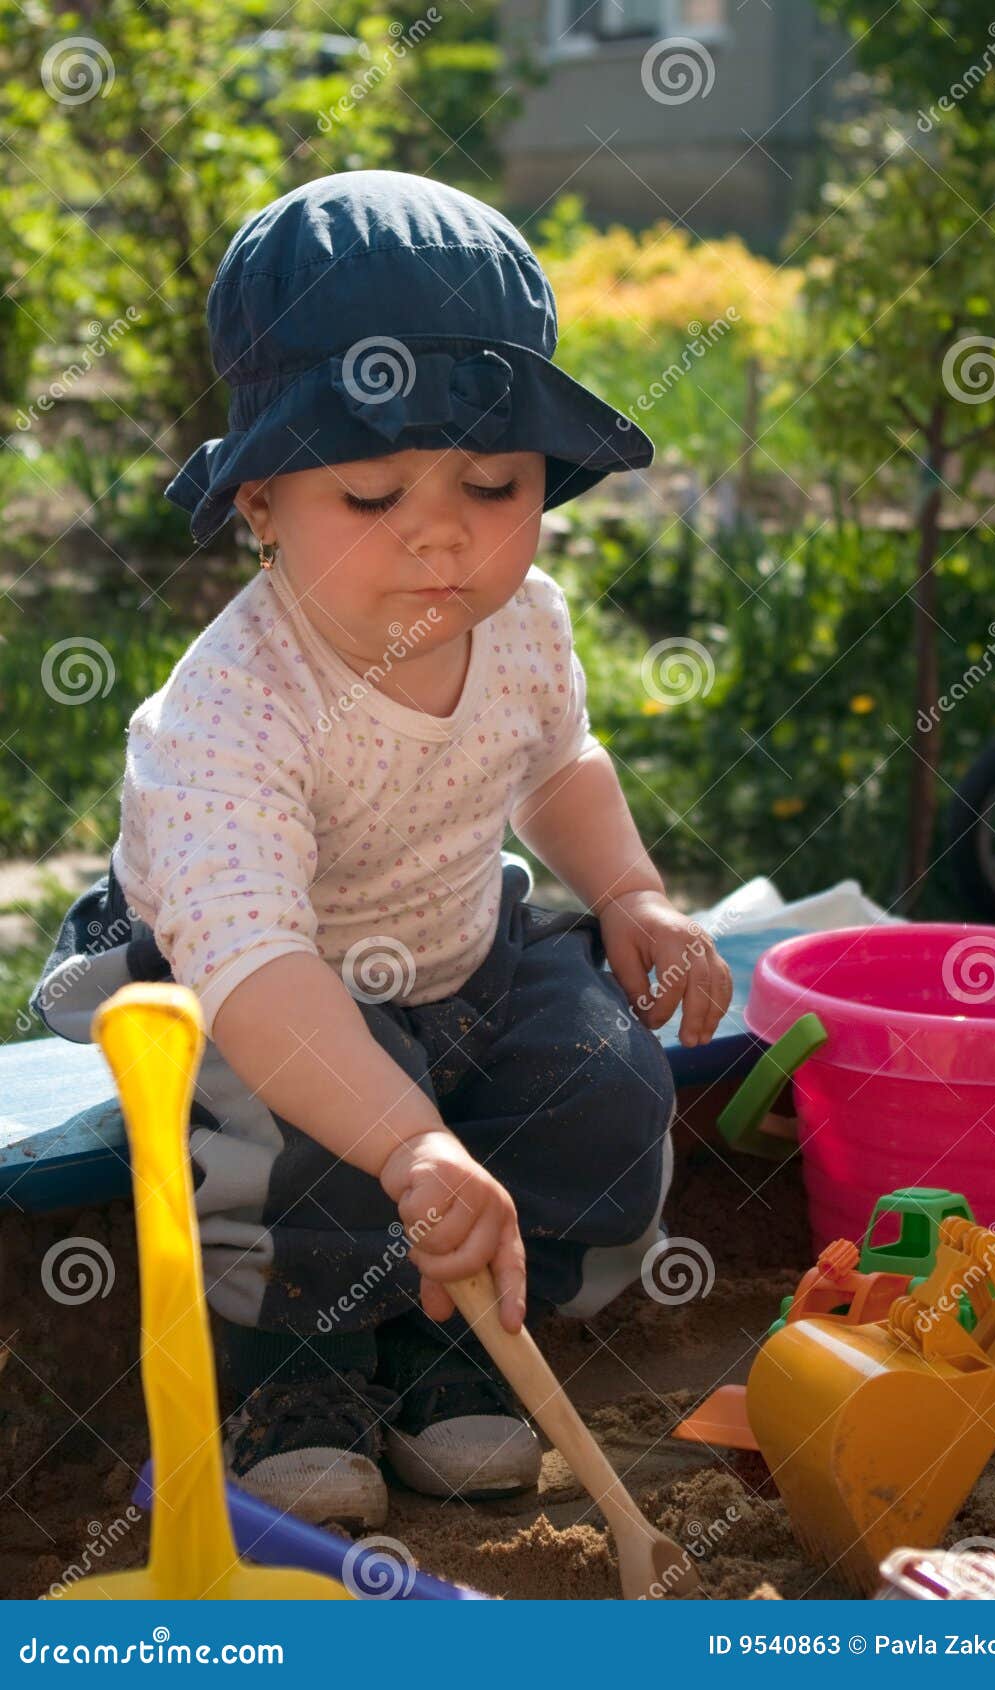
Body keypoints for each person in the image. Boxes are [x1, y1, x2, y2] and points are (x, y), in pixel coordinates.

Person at [31, 170, 733, 1529]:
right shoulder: (228, 711)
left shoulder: (520, 618)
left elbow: (557, 764)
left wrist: (632, 891)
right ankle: (297, 1365)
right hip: (262, 994)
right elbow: (253, 970)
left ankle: (456, 1329)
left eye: (493, 480)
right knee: (316, 1138)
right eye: (367, 490)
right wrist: (406, 1139)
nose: (440, 530)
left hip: (465, 947)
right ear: (260, 506)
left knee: (601, 1084)